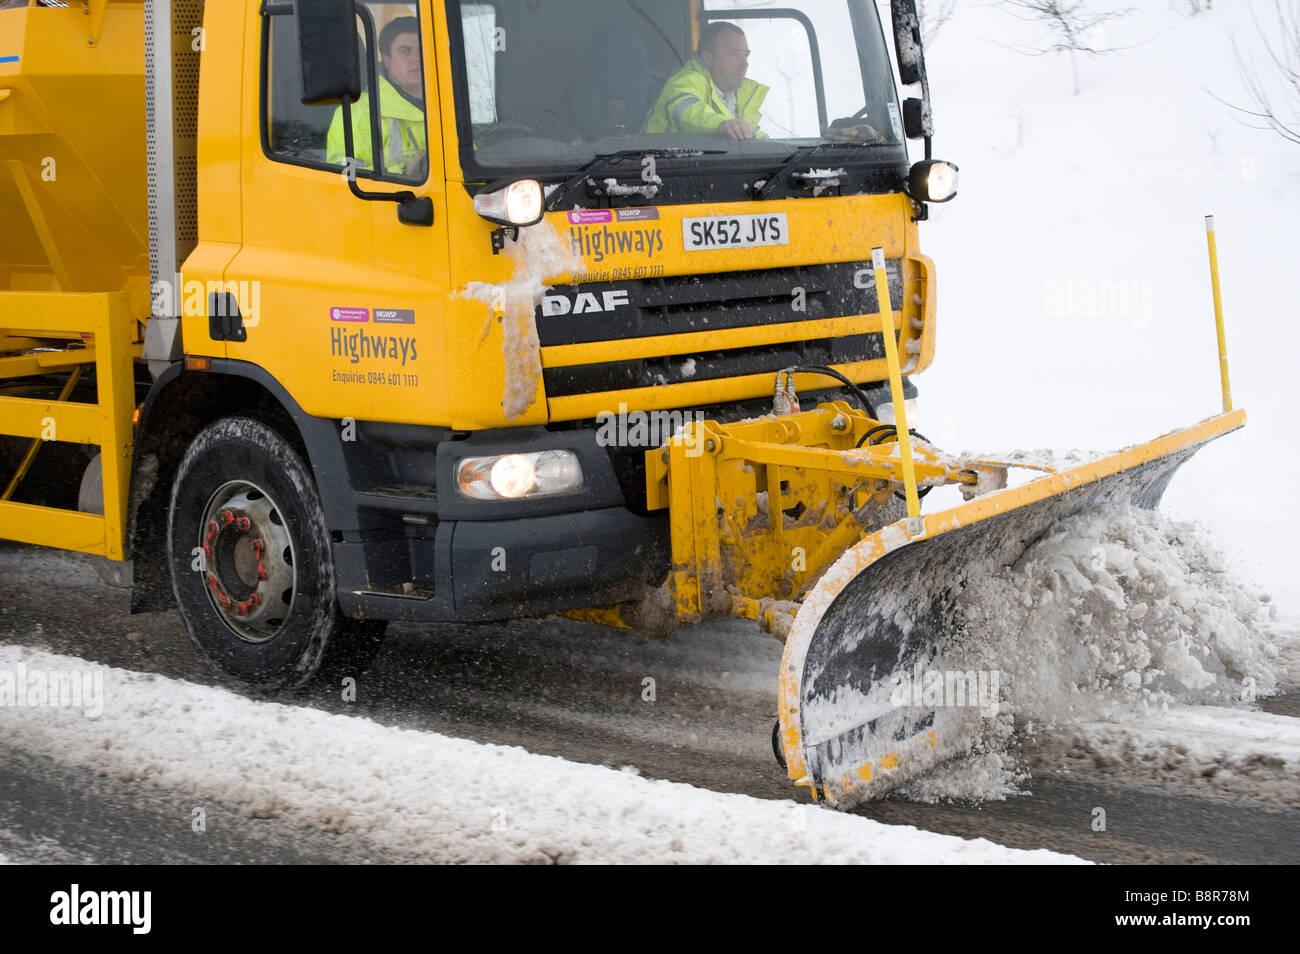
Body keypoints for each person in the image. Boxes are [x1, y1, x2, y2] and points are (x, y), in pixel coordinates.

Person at [326, 16, 427, 177]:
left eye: (422, 49)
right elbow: (345, 177)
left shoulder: (449, 107)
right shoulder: (356, 113)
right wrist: (405, 171)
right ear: (387, 61)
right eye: (405, 51)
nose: (416, 58)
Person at [644, 22, 768, 140]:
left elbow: (750, 134)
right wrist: (721, 124)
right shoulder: (687, 80)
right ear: (707, 58)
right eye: (735, 54)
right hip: (654, 160)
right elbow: (686, 109)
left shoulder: (739, 98)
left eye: (746, 55)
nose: (744, 64)